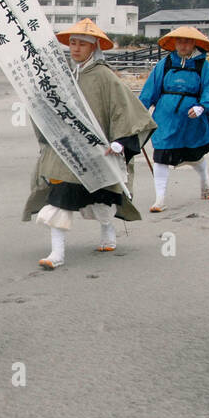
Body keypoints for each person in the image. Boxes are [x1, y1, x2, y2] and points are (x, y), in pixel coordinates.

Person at [22, 17, 155, 266]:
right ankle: (57, 253)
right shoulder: (65, 77)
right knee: (60, 194)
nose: (75, 48)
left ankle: (108, 232)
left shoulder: (105, 77)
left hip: (99, 152)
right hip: (68, 151)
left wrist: (121, 142)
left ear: (93, 47)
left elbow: (125, 110)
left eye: (82, 44)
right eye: (72, 43)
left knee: (103, 198)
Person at [138, 26, 209, 211]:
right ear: (174, 43)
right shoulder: (164, 64)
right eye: (180, 41)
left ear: (194, 44)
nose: (183, 45)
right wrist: (139, 110)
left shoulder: (204, 66)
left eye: (187, 41)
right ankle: (160, 199)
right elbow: (150, 90)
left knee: (194, 156)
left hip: (191, 120)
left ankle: (205, 180)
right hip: (165, 118)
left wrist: (203, 107)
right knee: (161, 156)